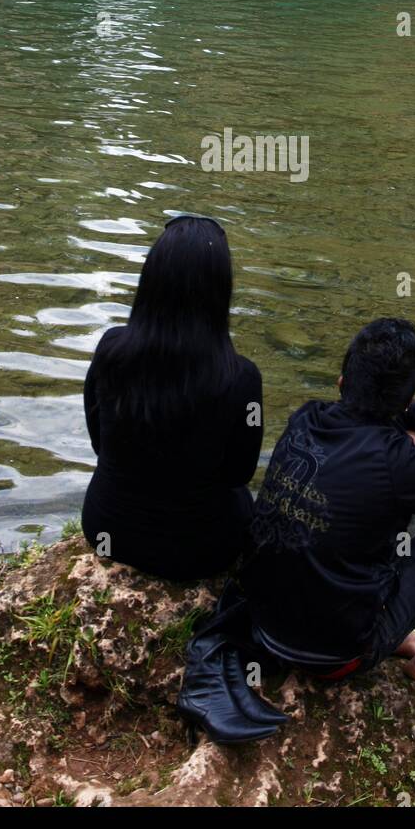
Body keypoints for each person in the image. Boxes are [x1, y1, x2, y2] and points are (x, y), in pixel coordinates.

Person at [239, 317, 415, 700]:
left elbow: (397, 415)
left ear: (342, 383)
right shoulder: (401, 462)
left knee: (375, 506)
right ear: (407, 402)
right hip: (336, 655)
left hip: (260, 625)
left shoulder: (305, 418)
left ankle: (400, 631)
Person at [81, 215, 263, 580]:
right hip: (201, 551)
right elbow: (238, 473)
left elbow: (100, 442)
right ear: (221, 290)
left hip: (108, 529)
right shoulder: (241, 377)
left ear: (150, 279)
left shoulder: (111, 349)